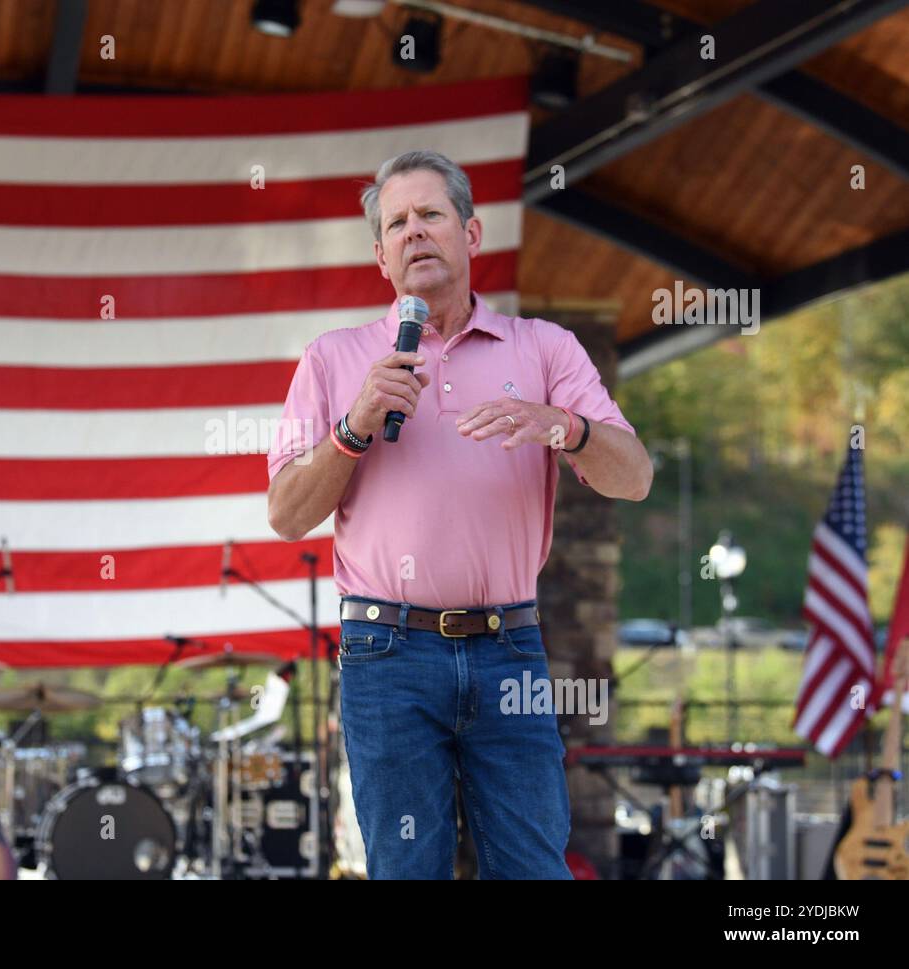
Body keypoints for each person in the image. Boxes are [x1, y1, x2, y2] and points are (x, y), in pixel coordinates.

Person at [266, 150, 652, 879]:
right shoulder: (332, 359)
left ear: (471, 235)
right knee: (408, 866)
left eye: (430, 215)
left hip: (509, 648)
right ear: (380, 256)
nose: (414, 232)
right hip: (386, 655)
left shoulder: (544, 349)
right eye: (397, 223)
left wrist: (565, 425)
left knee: (535, 866)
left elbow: (634, 477)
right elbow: (286, 514)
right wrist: (353, 426)